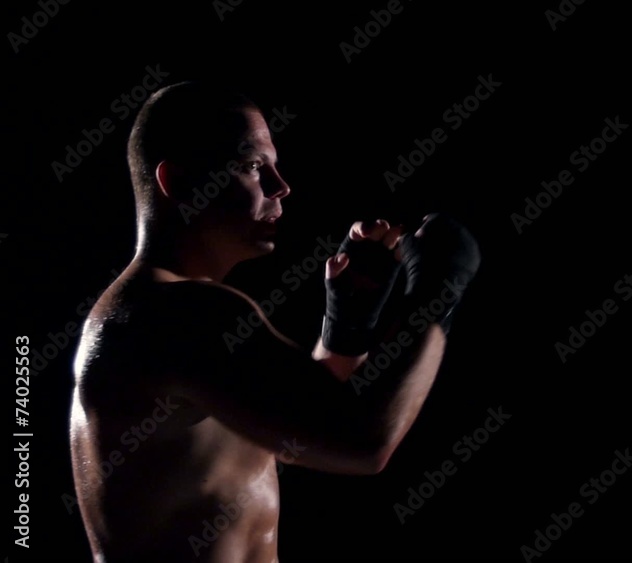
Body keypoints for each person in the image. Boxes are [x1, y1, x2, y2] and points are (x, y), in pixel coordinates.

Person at [69, 81, 480, 562]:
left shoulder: (164, 310)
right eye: (251, 166)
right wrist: (436, 293)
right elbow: (364, 443)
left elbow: (304, 430)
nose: (281, 186)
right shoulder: (177, 312)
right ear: (177, 183)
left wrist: (345, 329)